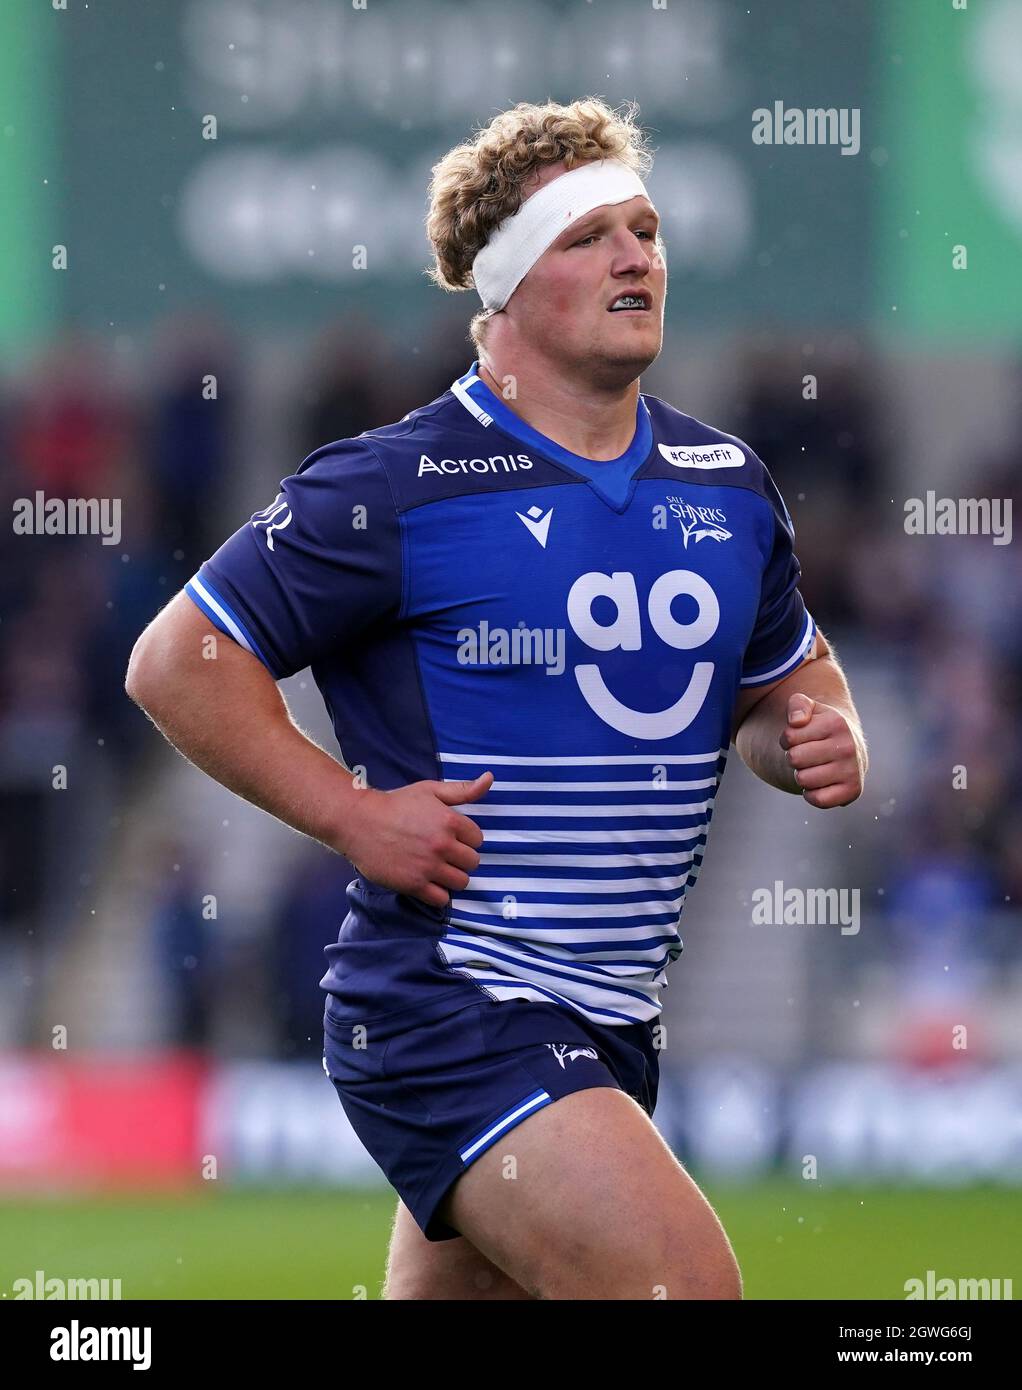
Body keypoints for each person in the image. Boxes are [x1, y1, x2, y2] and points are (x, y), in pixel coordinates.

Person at [125, 97, 868, 1300]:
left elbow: (788, 680)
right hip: (455, 1006)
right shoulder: (392, 483)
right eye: (588, 236)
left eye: (645, 228)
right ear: (508, 288)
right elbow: (176, 662)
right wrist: (350, 816)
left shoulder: (727, 484)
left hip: (610, 1019)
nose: (635, 255)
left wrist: (809, 736)